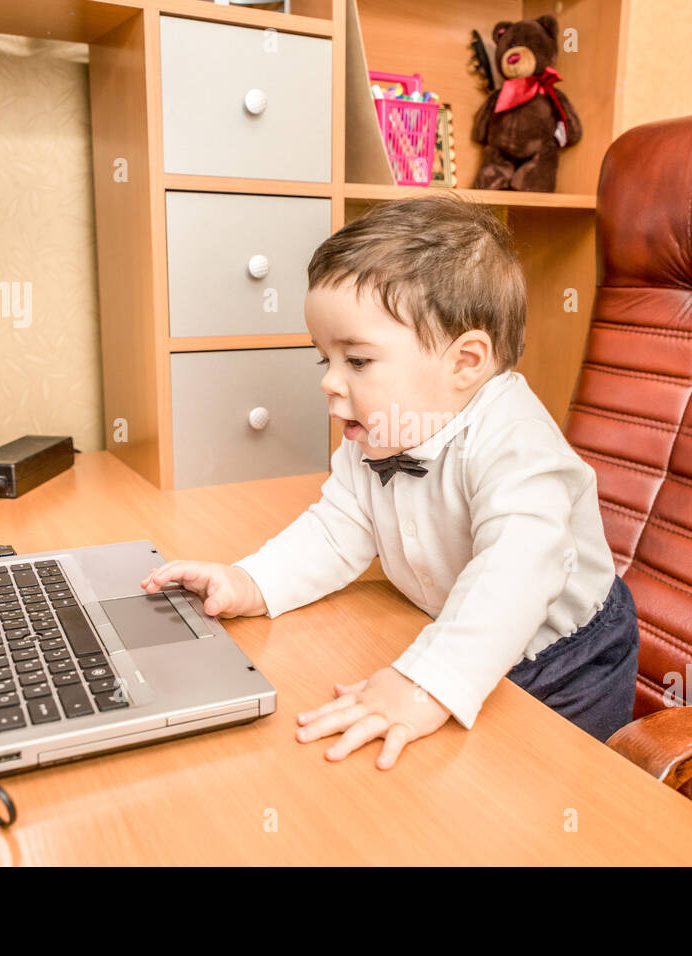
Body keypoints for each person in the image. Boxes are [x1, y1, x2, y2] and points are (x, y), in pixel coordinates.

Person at [142, 193, 639, 768]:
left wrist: (426, 683)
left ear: (466, 362)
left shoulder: (515, 440)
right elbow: (334, 532)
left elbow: (519, 570)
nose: (330, 382)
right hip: (452, 628)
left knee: (551, 789)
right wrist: (250, 581)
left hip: (567, 655)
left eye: (356, 361)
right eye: (322, 359)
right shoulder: (376, 435)